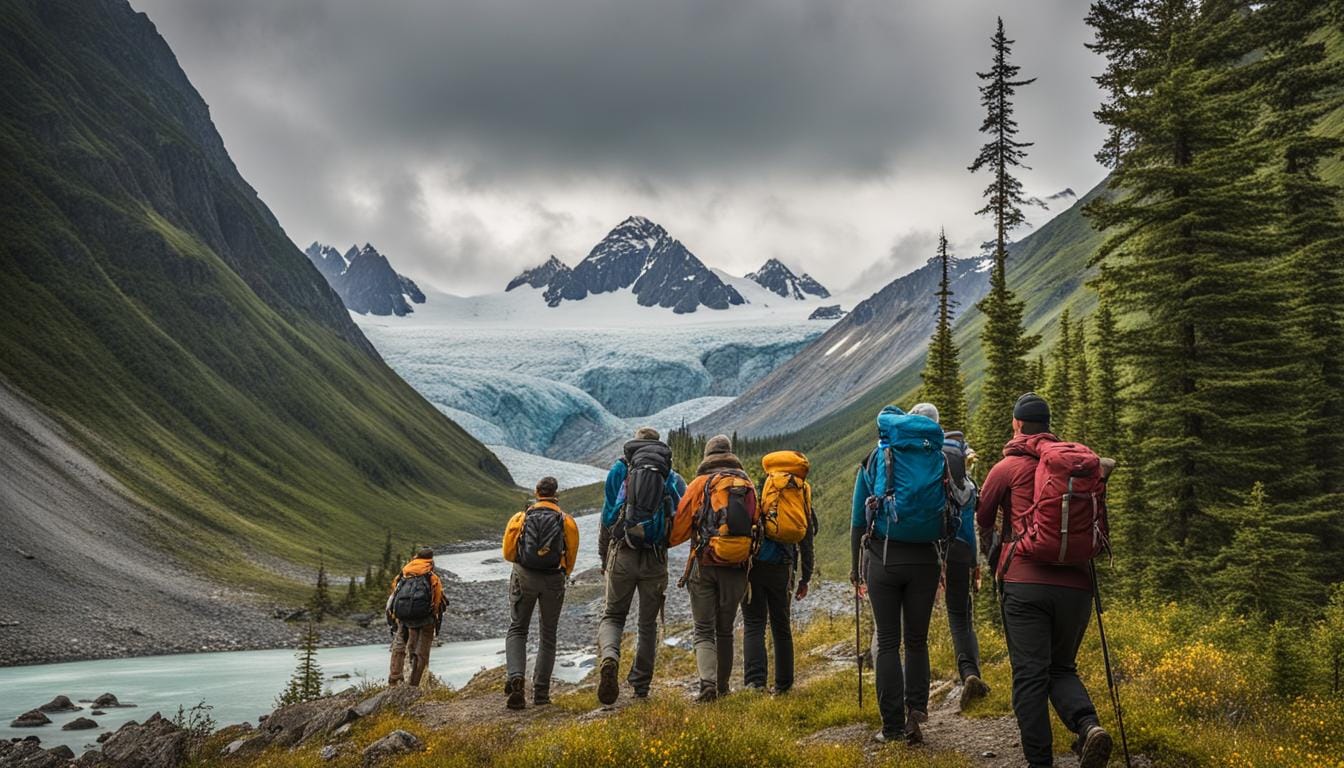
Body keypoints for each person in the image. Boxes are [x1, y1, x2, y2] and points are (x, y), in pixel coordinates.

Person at [977, 393, 1112, 768]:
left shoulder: (1007, 467)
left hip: (1024, 585)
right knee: (1061, 667)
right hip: (1077, 585)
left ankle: (1040, 762)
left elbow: (984, 518)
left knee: (1030, 674)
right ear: (1048, 425)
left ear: (1017, 424)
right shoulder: (1076, 468)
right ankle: (1088, 727)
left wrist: (994, 559)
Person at [850, 405, 944, 745]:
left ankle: (891, 727)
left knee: (888, 642)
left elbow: (858, 519)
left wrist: (856, 568)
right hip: (926, 558)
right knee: (916, 640)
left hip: (884, 556)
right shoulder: (936, 455)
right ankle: (915, 712)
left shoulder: (875, 458)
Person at [909, 402, 990, 709]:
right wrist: (972, 561)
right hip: (958, 545)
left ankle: (911, 701)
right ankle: (970, 674)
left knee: (913, 627)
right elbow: (967, 510)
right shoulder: (955, 455)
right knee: (960, 615)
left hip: (920, 548)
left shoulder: (905, 453)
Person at [595, 427, 685, 705]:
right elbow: (680, 517)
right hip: (655, 558)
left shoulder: (618, 471)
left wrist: (603, 558)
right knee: (648, 623)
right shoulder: (670, 476)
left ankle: (610, 657)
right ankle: (641, 685)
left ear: (634, 444)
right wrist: (663, 543)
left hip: (622, 553)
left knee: (613, 616)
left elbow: (608, 517)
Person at [670, 434, 759, 702]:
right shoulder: (746, 483)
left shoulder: (700, 483)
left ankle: (707, 683)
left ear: (708, 456)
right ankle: (723, 687)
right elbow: (758, 521)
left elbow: (680, 528)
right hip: (737, 566)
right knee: (725, 630)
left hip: (704, 563)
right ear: (730, 454)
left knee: (703, 629)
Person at [501, 476, 580, 709]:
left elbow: (508, 552)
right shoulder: (567, 521)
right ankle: (541, 694)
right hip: (553, 579)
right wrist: (562, 573)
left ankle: (516, 677)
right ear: (556, 494)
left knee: (517, 628)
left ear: (537, 492)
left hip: (524, 576)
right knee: (548, 635)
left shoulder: (521, 518)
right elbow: (571, 557)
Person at [742, 450, 815, 694]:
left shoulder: (763, 486)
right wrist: (806, 575)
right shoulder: (801, 490)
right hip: (783, 567)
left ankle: (755, 682)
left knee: (754, 623)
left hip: (756, 565)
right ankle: (784, 684)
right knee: (781, 625)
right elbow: (808, 535)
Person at [387, 547, 447, 687]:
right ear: (430, 560)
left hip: (404, 617)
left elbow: (395, 590)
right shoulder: (431, 576)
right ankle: (415, 684)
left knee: (400, 643)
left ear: (415, 557)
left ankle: (395, 677)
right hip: (424, 618)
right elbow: (437, 600)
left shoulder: (404, 573)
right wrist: (433, 615)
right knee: (422, 651)